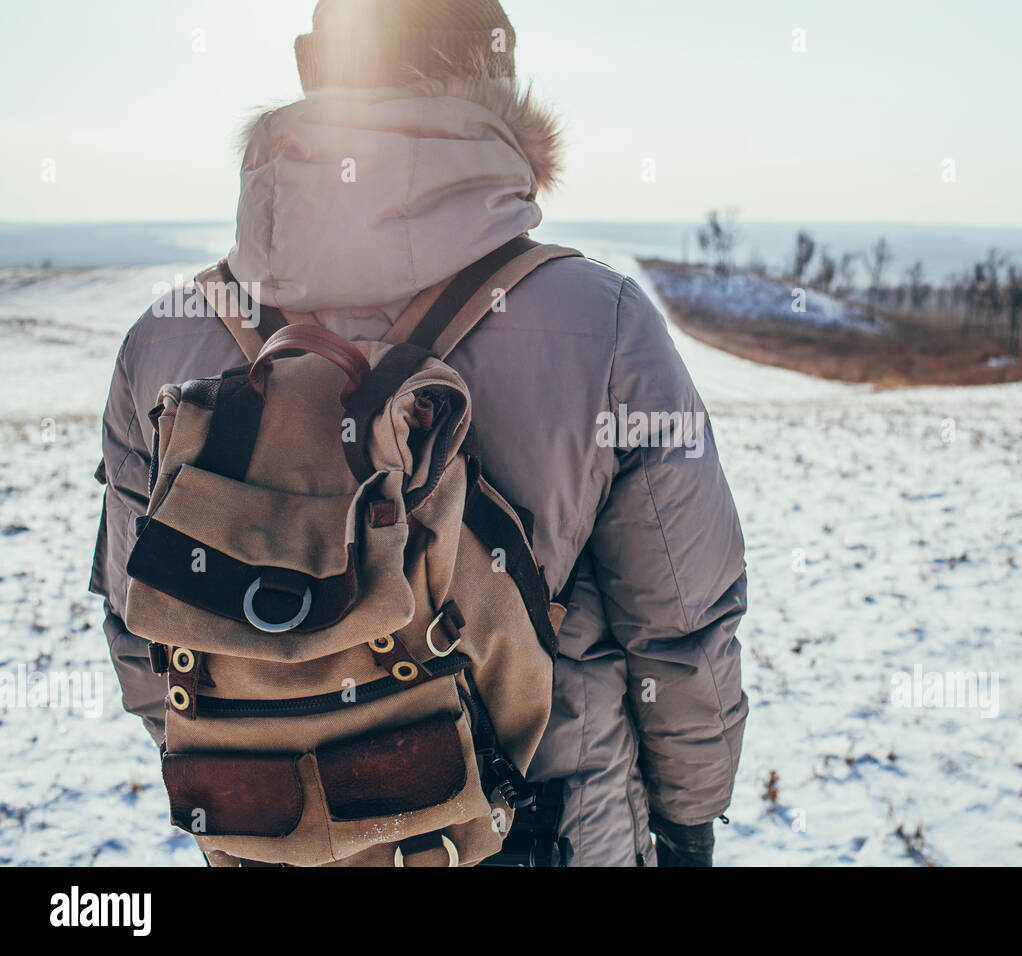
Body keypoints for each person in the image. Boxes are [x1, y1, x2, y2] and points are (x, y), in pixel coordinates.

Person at [91, 0, 748, 867]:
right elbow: (681, 630)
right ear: (495, 75)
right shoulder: (602, 321)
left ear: (308, 68)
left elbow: (144, 631)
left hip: (278, 841)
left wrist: (287, 772)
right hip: (543, 830)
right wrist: (689, 823)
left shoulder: (167, 338)